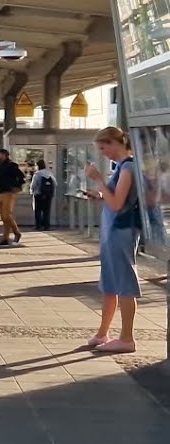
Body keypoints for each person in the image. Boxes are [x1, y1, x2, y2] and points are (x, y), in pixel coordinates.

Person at [83, 127, 143, 353]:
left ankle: (127, 338)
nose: (103, 153)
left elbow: (118, 204)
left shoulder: (127, 167)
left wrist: (98, 179)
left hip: (121, 230)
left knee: (124, 283)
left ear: (115, 143)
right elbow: (115, 199)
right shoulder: (122, 167)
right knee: (110, 284)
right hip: (113, 230)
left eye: (103, 147)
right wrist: (99, 195)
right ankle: (103, 332)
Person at [0, 148, 26, 246]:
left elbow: (21, 176)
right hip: (0, 192)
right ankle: (5, 238)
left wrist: (17, 187)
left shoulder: (11, 165)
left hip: (8, 192)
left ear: (5, 155)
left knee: (7, 215)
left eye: (0, 154)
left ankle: (16, 233)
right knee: (3, 217)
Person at [30, 159, 56, 231]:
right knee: (46, 211)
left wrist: (32, 191)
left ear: (37, 166)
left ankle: (38, 226)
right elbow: (55, 183)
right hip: (47, 195)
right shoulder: (49, 173)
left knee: (38, 211)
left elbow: (33, 185)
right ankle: (46, 226)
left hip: (38, 195)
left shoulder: (37, 174)